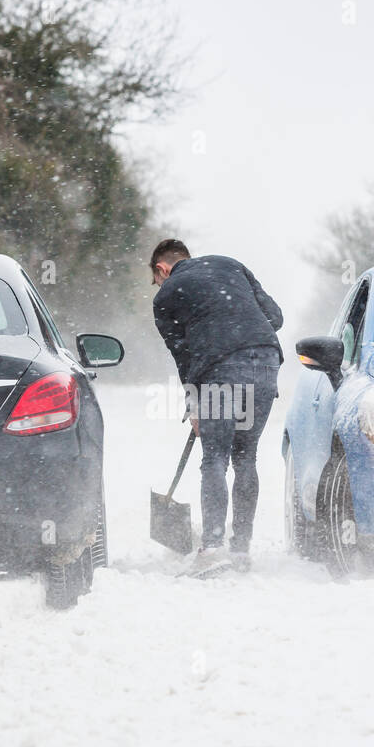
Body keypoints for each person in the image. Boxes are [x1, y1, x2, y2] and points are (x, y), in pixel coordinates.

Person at [151, 239, 283, 576]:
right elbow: (275, 318)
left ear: (161, 269)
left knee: (215, 458)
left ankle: (212, 548)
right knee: (246, 457)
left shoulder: (166, 296)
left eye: (156, 279)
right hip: (265, 360)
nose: (158, 285)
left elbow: (182, 355)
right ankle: (240, 550)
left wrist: (194, 401)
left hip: (219, 368)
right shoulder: (230, 264)